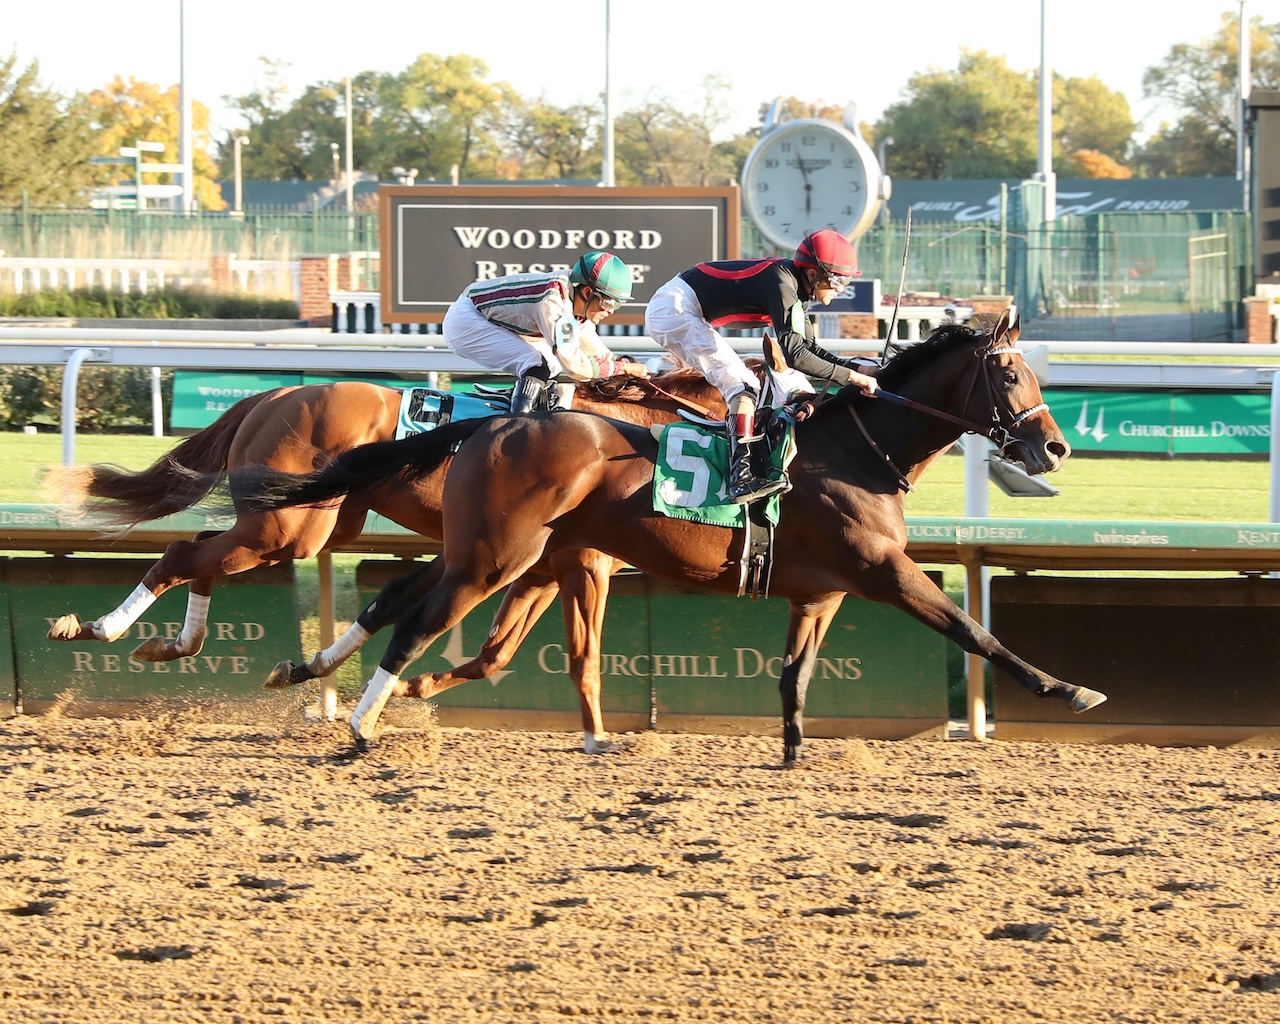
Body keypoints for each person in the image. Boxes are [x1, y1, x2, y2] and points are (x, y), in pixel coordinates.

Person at [645, 229, 880, 504]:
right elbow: (795, 356)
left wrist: (857, 369)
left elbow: (811, 349)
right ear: (814, 275)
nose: (841, 288)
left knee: (747, 387)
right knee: (744, 388)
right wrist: (852, 377)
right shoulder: (783, 284)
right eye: (837, 280)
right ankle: (741, 477)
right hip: (674, 308)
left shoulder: (795, 288)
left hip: (682, 306)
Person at [442, 250, 650, 413]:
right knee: (540, 364)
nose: (611, 310)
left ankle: (522, 403)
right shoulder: (554, 301)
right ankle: (518, 422)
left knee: (550, 367)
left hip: (488, 319)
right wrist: (621, 369)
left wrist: (626, 366)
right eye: (608, 302)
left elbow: (595, 352)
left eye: (618, 304)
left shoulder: (575, 304)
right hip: (465, 321)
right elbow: (576, 367)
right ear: (588, 292)